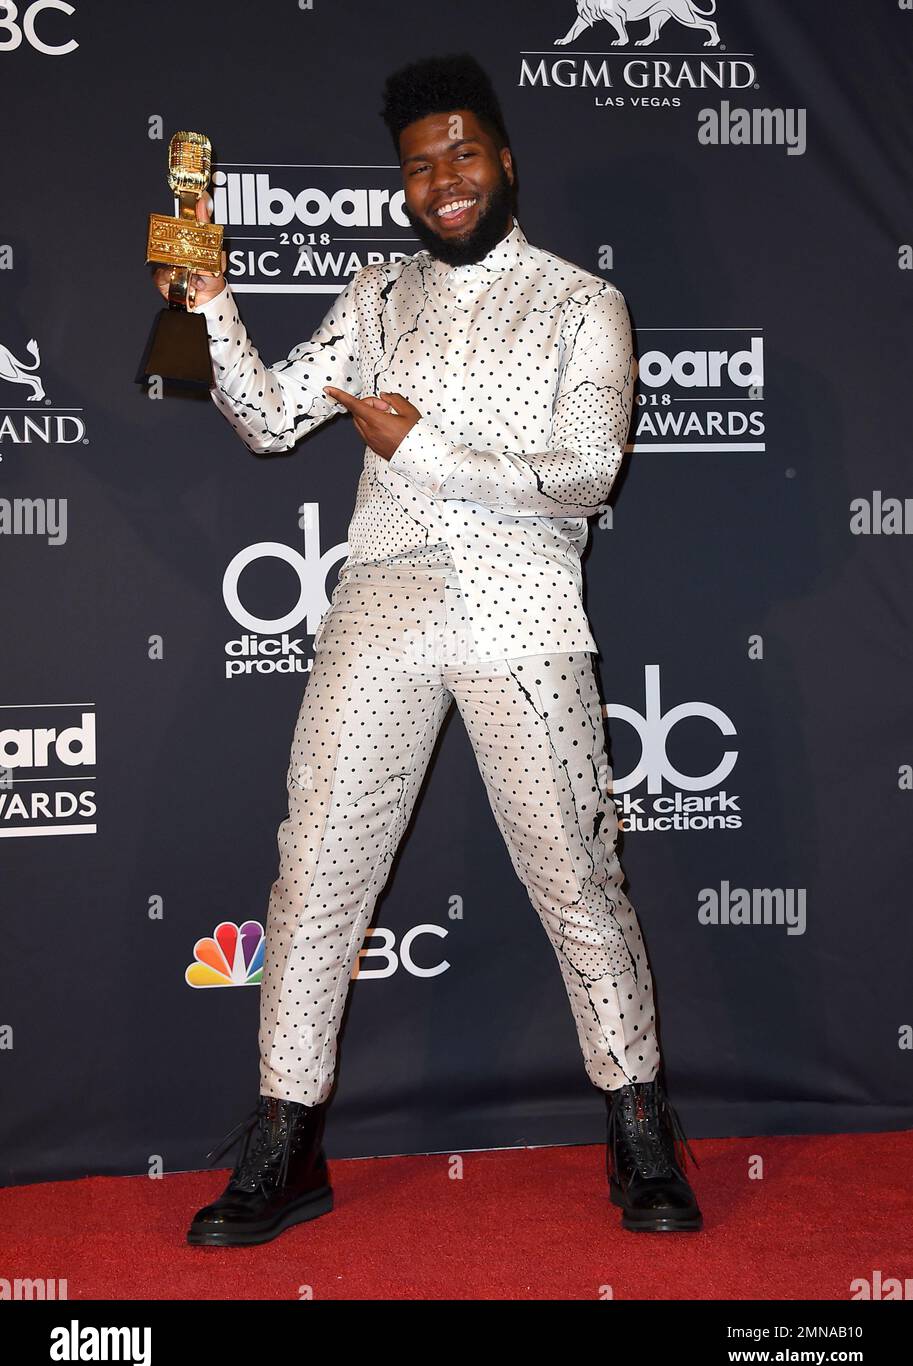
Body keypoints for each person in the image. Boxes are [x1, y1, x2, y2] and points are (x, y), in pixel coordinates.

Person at [152, 52, 702, 1244]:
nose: (442, 181)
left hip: (525, 612)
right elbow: (265, 422)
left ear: (504, 159)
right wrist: (212, 303)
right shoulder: (375, 297)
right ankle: (284, 1140)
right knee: (317, 878)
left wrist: (425, 452)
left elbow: (584, 479)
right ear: (401, 187)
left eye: (461, 153)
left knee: (577, 876)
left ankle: (640, 1129)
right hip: (383, 612)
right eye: (419, 167)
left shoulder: (578, 303)